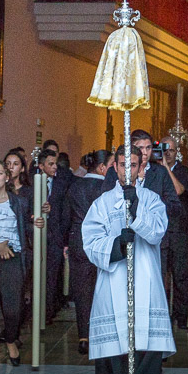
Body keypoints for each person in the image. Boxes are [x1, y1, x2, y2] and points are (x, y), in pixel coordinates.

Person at [83, 145, 173, 374]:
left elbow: (158, 232)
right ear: (115, 167)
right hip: (115, 279)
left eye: (133, 165)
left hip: (145, 278)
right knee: (119, 340)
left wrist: (135, 212)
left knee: (149, 344)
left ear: (141, 167)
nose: (127, 170)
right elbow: (90, 240)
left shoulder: (153, 199)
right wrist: (116, 247)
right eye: (122, 164)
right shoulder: (102, 203)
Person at [103, 129, 185, 328]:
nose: (146, 152)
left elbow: (175, 205)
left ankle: (153, 335)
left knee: (154, 286)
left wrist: (151, 211)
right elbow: (105, 199)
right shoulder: (117, 171)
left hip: (154, 241)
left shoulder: (159, 172)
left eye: (149, 147)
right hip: (123, 238)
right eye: (140, 148)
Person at [0, 160, 37, 369]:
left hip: (13, 258)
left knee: (13, 309)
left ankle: (11, 339)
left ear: (7, 177)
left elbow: (25, 228)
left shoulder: (19, 203)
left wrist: (36, 223)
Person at [63, 150, 113, 355]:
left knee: (82, 290)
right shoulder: (107, 188)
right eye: (111, 165)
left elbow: (66, 217)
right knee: (103, 288)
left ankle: (84, 336)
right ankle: (103, 332)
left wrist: (67, 241)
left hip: (79, 240)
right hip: (102, 240)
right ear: (102, 168)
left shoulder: (74, 186)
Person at [159, 136, 188, 329]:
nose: (167, 153)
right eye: (164, 149)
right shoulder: (154, 170)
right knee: (160, 273)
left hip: (178, 230)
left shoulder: (184, 172)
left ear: (177, 151)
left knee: (180, 276)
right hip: (160, 230)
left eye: (171, 149)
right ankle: (161, 313)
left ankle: (182, 316)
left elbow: (179, 190)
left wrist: (166, 168)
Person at [38, 148, 73, 322]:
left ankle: (48, 312)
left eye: (55, 164)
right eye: (50, 164)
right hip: (37, 236)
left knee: (52, 276)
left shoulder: (61, 185)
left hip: (55, 235)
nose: (54, 167)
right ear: (41, 165)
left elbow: (65, 212)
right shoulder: (33, 183)